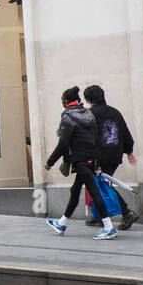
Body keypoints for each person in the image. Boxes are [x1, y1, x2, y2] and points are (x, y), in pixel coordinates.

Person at [44, 86, 118, 239]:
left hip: (80, 160)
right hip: (90, 159)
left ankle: (109, 227)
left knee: (94, 192)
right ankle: (62, 223)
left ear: (65, 101)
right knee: (75, 191)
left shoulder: (68, 118)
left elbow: (63, 144)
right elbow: (97, 139)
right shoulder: (89, 114)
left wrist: (50, 162)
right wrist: (96, 160)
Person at [82, 84, 138, 231]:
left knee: (102, 185)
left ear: (89, 99)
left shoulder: (91, 114)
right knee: (101, 184)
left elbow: (88, 137)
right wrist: (129, 151)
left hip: (100, 156)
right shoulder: (115, 112)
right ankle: (100, 216)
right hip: (115, 155)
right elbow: (125, 133)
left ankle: (126, 213)